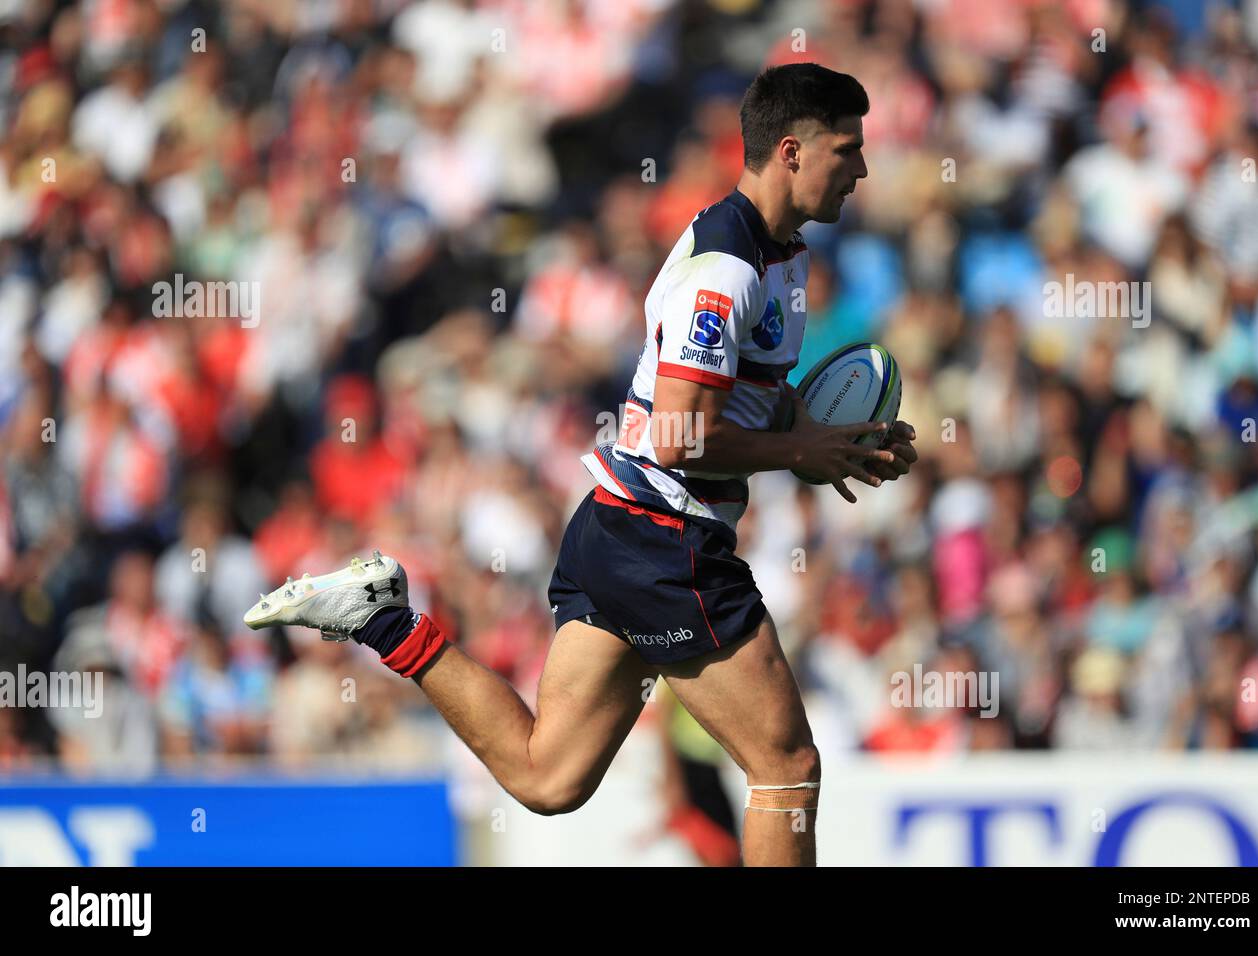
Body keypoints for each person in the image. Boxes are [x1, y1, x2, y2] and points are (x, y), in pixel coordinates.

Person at [244, 63, 918, 866]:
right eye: (848, 149)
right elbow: (676, 435)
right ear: (792, 152)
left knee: (548, 778)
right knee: (786, 768)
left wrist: (822, 438)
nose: (864, 169)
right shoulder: (726, 269)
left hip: (620, 531)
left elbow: (746, 404)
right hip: (663, 539)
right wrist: (800, 448)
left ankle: (381, 617)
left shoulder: (781, 258)